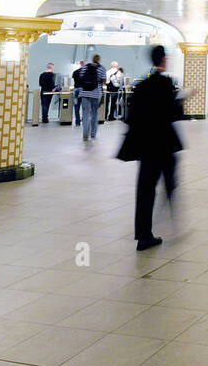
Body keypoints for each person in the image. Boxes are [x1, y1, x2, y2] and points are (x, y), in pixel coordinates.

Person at [118, 45, 184, 249]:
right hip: (163, 146)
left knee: (144, 190)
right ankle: (173, 219)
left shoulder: (141, 86)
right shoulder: (165, 84)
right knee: (170, 183)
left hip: (145, 148)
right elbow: (174, 113)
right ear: (163, 60)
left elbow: (129, 117)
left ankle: (143, 236)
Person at [76, 54, 107, 142]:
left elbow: (81, 77)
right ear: (99, 60)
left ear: (92, 59)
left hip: (84, 93)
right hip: (96, 94)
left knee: (85, 113)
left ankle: (85, 133)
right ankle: (93, 133)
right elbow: (104, 81)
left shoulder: (85, 67)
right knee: (95, 114)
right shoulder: (102, 68)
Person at [72, 60, 86, 127]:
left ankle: (77, 122)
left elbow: (74, 80)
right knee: (84, 107)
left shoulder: (75, 72)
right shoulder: (86, 73)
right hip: (83, 91)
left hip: (76, 90)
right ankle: (83, 121)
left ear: (80, 64)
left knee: (76, 107)